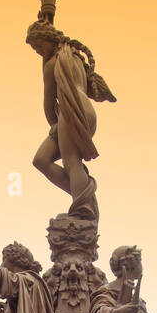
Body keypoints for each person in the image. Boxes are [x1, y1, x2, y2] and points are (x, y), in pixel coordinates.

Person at [26, 19, 115, 220]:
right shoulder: (75, 58)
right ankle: (84, 194)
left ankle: (83, 208)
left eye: (40, 45)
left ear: (49, 39)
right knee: (41, 160)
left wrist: (54, 126)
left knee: (71, 161)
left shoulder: (52, 64)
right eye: (35, 49)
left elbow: (49, 104)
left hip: (70, 109)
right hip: (87, 111)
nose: (39, 51)